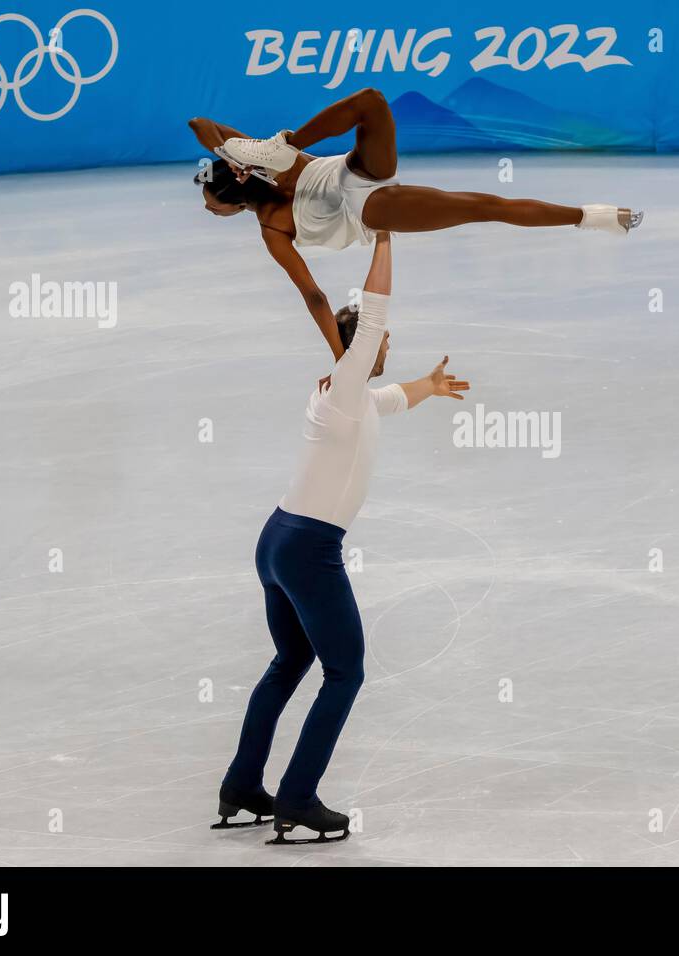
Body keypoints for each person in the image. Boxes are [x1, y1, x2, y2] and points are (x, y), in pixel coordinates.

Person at [210, 231, 469, 844]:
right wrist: (383, 233)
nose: (384, 349)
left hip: (276, 539)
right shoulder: (347, 382)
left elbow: (389, 399)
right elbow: (374, 312)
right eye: (378, 345)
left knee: (291, 659)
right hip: (308, 551)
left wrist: (427, 387)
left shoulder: (344, 396)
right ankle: (297, 797)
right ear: (362, 350)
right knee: (345, 672)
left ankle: (243, 786)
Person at [189, 87, 641, 358]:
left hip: (356, 177)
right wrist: (343, 358)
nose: (211, 211)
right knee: (483, 204)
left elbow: (199, 122)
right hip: (369, 203)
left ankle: (290, 141)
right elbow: (314, 296)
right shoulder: (270, 220)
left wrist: (233, 152)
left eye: (211, 206)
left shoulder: (269, 197)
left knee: (372, 101)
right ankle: (595, 216)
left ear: (232, 201)